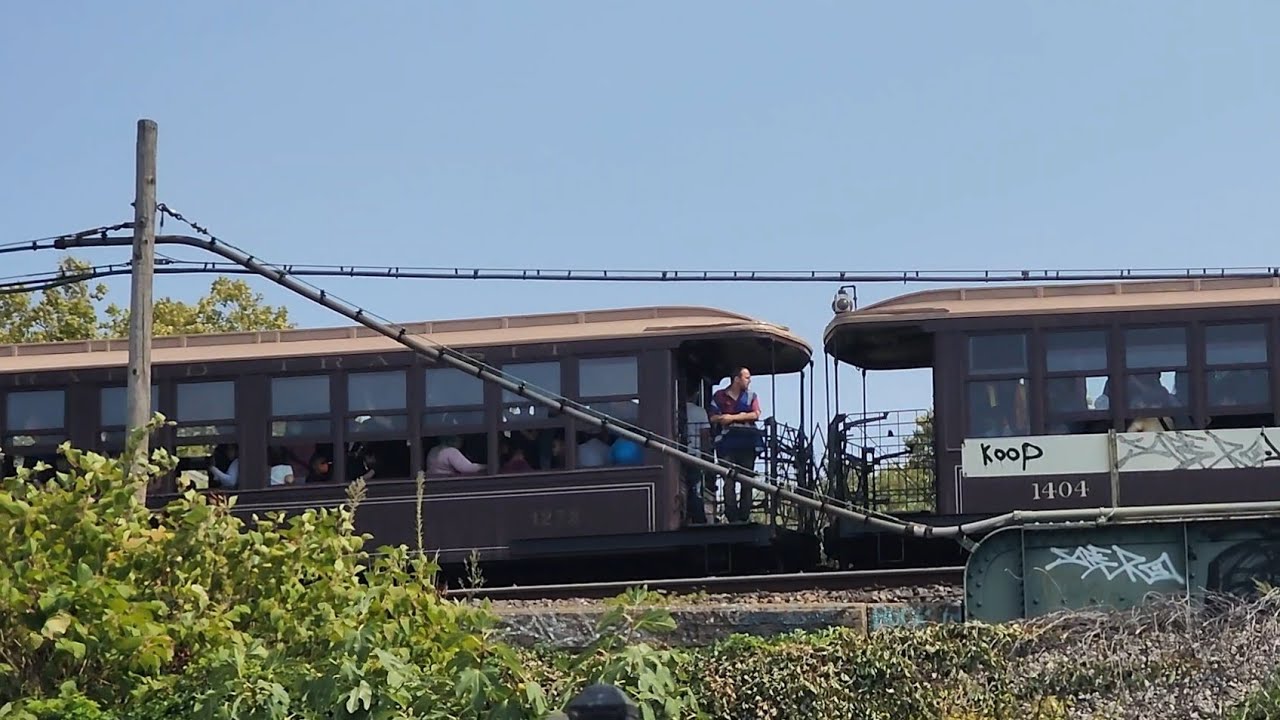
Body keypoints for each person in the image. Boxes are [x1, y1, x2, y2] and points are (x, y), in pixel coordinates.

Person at [709, 367, 764, 522]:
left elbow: (756, 414)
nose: (749, 381)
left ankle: (744, 516)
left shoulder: (752, 396)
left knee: (747, 481)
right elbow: (712, 417)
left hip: (747, 443)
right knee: (728, 481)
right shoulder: (719, 396)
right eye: (747, 378)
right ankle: (732, 516)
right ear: (736, 379)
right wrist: (723, 419)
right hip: (726, 444)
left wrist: (733, 418)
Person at [684, 384, 711, 524]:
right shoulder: (700, 412)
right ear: (695, 395)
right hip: (694, 454)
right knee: (695, 488)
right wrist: (707, 456)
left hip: (677, 454)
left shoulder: (673, 410)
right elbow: (705, 436)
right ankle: (698, 518)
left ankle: (684, 515)